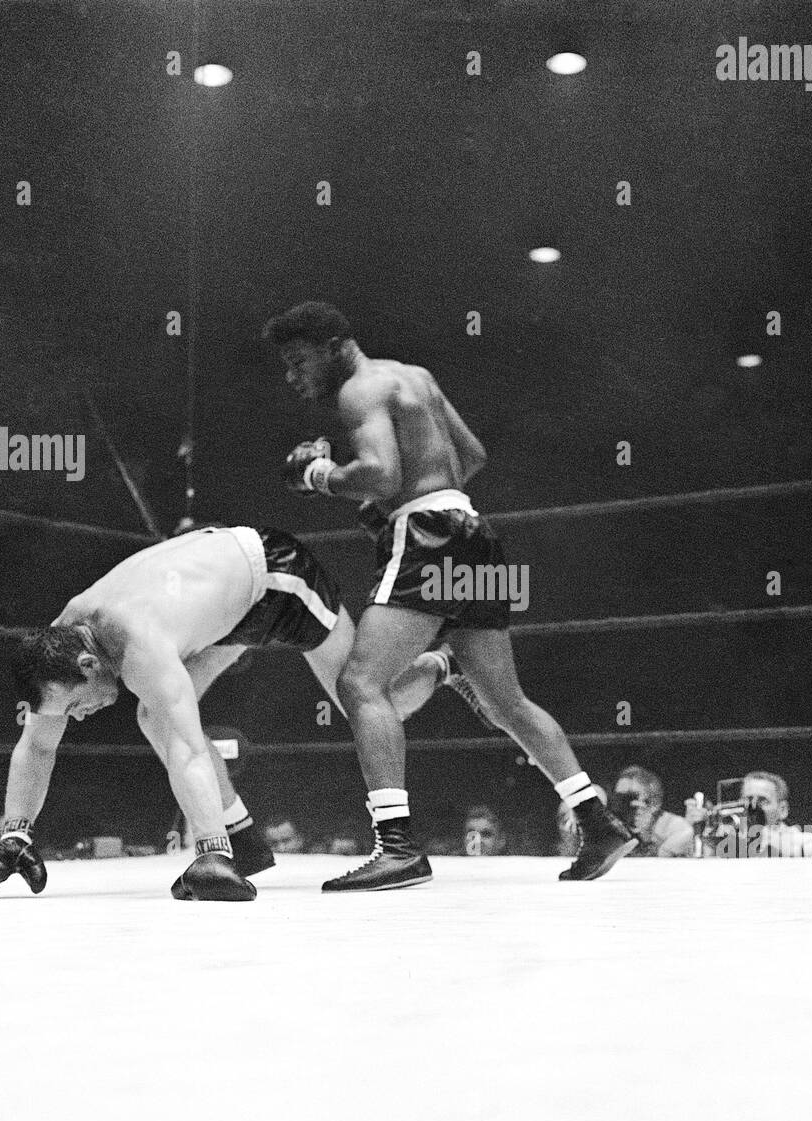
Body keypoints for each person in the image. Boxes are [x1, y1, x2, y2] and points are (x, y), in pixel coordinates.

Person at [266, 300, 637, 891]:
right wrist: (396, 502)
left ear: (337, 346)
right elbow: (472, 457)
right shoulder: (416, 377)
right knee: (506, 701)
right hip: (477, 533)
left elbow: (382, 474)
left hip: (429, 538)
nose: (293, 377)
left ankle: (398, 847)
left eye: (298, 361)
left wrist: (317, 476)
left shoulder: (359, 392)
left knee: (360, 682)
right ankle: (597, 822)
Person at [0, 525, 485, 902]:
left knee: (370, 706)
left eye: (76, 705)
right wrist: (15, 834)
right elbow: (38, 742)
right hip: (222, 611)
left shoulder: (136, 644)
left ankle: (443, 661)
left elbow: (189, 745)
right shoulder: (61, 644)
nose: (78, 718)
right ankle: (245, 842)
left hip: (276, 579)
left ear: (88, 664)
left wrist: (207, 854)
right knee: (153, 717)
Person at [612, 765, 697, 857]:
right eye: (619, 798)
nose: (624, 805)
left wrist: (647, 837)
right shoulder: (616, 825)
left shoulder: (677, 828)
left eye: (631, 797)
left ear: (654, 804)